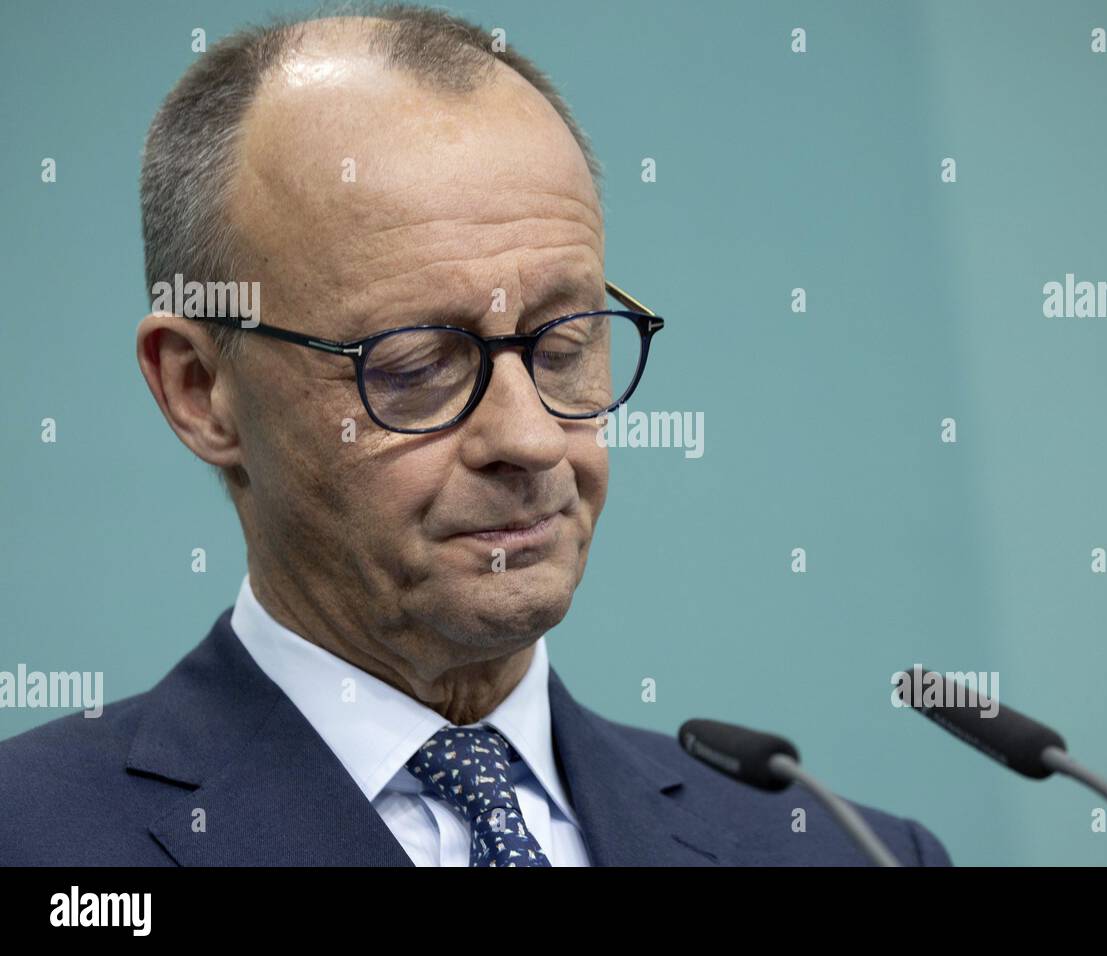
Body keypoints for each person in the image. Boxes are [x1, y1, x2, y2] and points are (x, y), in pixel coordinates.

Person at [0, 5, 951, 867]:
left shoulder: (846, 850)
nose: (531, 439)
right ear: (201, 390)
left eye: (565, 342)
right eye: (415, 366)